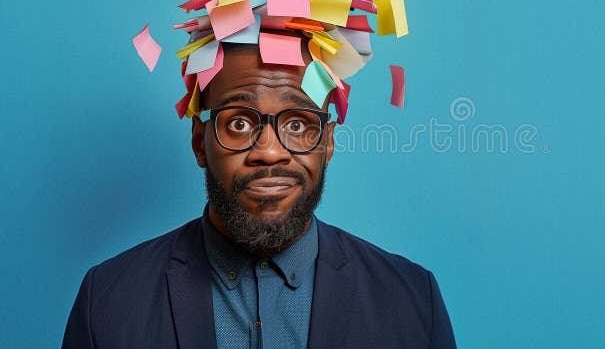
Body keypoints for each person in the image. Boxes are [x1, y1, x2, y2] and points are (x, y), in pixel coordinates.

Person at [62, 34, 456, 348]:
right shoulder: (109, 303)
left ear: (328, 144)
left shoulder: (413, 303)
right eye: (239, 123)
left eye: (299, 125)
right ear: (200, 142)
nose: (269, 152)